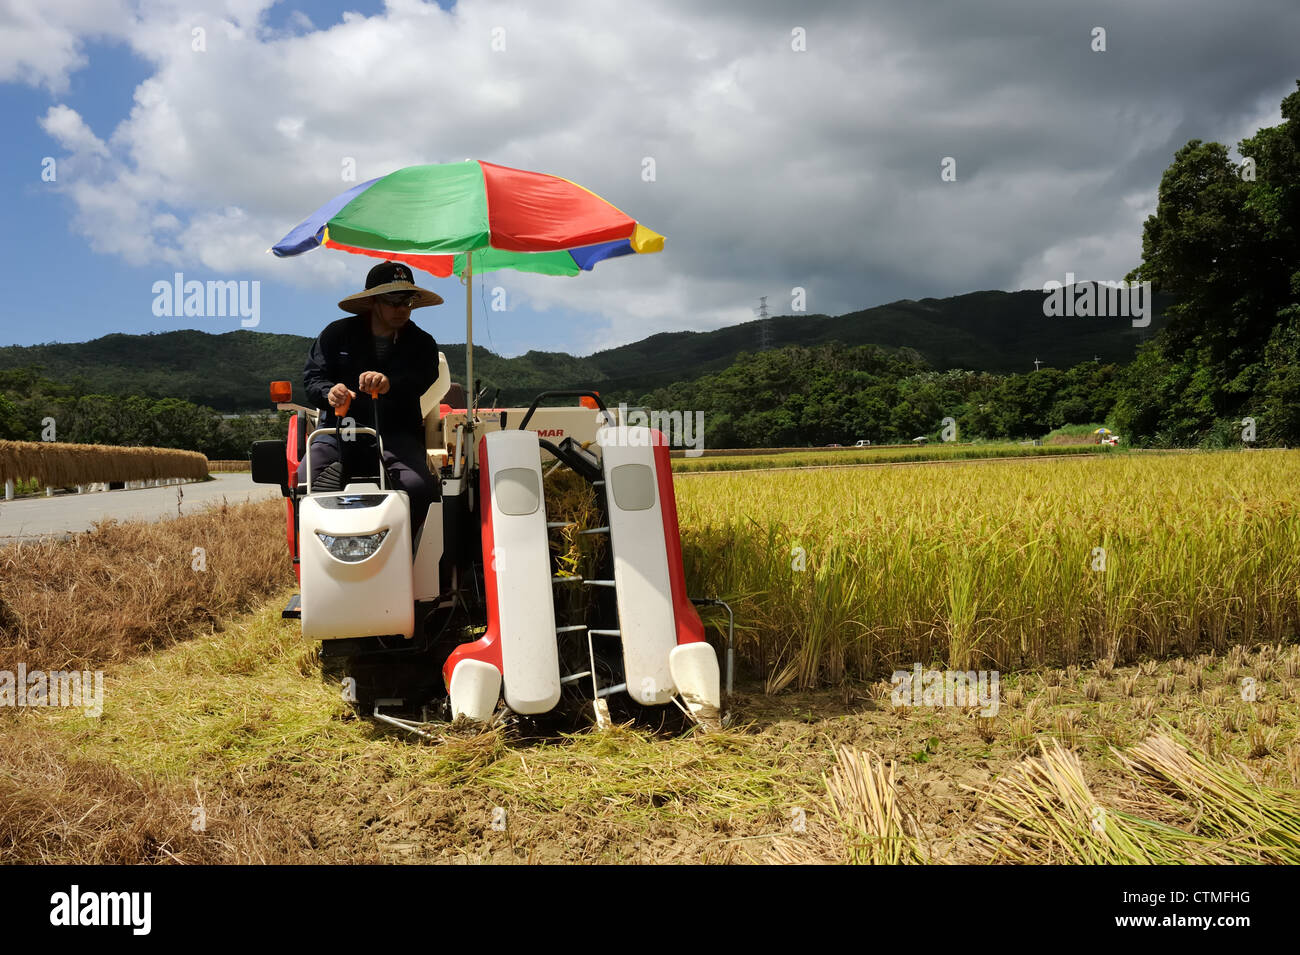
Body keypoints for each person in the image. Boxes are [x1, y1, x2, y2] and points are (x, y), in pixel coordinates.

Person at [300, 260, 445, 538]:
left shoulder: (422, 342)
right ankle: (319, 547)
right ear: (374, 301)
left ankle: (405, 552)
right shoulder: (335, 334)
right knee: (306, 481)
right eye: (393, 300)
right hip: (339, 431)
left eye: (408, 301)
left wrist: (391, 383)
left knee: (419, 488)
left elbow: (424, 376)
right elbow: (313, 379)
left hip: (396, 434)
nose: (402, 309)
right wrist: (330, 393)